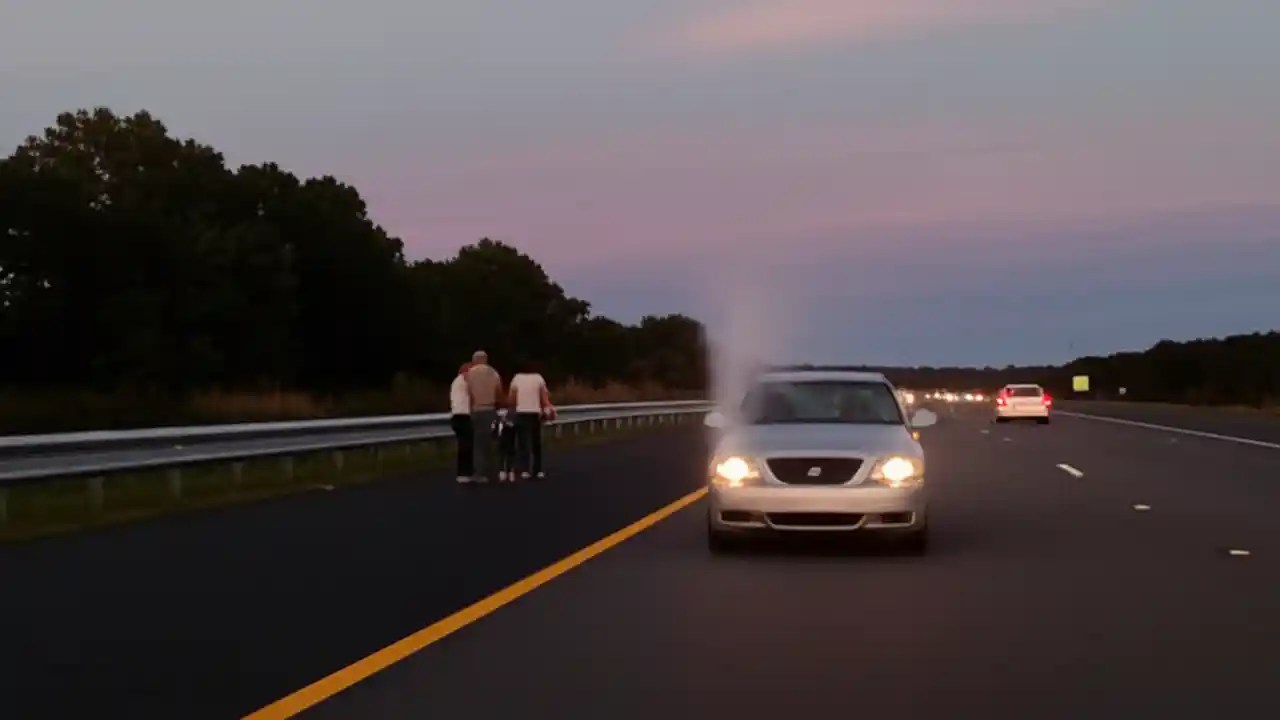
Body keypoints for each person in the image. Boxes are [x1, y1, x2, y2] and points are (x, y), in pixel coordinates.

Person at [508, 361, 555, 480]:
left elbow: (512, 398)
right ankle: (538, 469)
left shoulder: (517, 378)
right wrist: (548, 409)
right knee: (536, 441)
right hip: (535, 412)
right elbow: (544, 398)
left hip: (521, 412)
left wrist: (511, 409)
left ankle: (524, 470)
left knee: (523, 442)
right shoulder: (538, 378)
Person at [464, 350, 505, 483]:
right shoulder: (493, 372)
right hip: (490, 409)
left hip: (477, 409)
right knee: (492, 442)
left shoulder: (470, 373)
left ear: (475, 360)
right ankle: (494, 471)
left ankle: (480, 473)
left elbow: (468, 393)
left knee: (478, 443)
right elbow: (499, 391)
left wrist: (470, 410)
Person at [449, 361, 474, 483]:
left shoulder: (456, 382)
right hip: (463, 415)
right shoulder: (464, 379)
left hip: (456, 415)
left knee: (464, 445)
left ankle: (464, 472)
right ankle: (464, 473)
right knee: (466, 445)